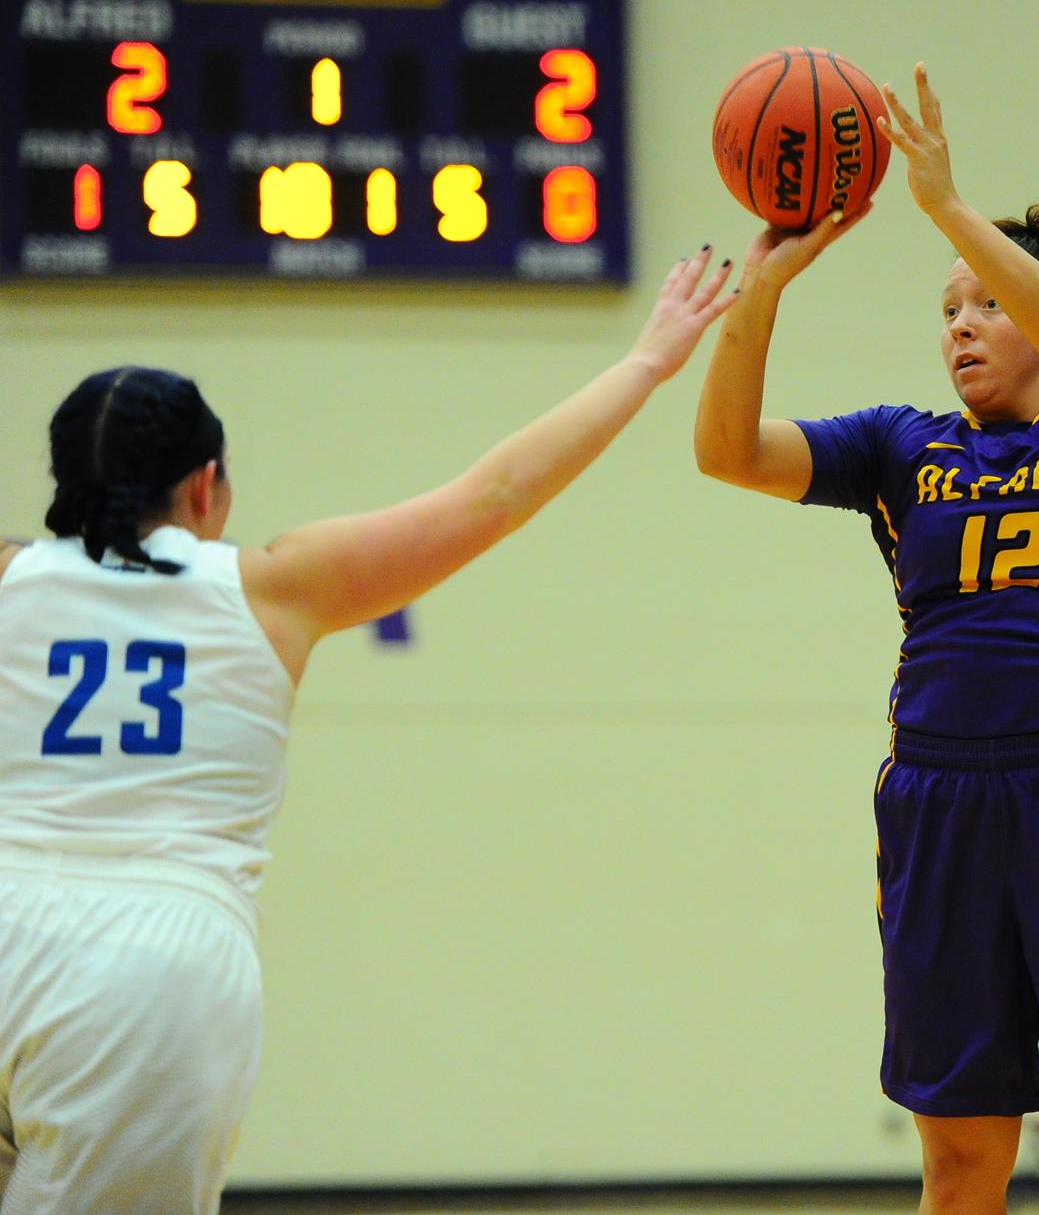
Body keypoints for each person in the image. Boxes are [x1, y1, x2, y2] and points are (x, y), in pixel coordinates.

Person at [0, 252, 736, 1212]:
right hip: (149, 968)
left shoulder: (12, 577)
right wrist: (645, 360)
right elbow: (494, 495)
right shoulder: (272, 587)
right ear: (205, 485)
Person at [691, 64, 1039, 1215]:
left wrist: (947, 209)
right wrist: (766, 283)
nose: (958, 326)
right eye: (945, 310)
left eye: (984, 304)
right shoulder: (902, 447)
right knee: (956, 1160)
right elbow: (725, 450)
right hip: (939, 803)